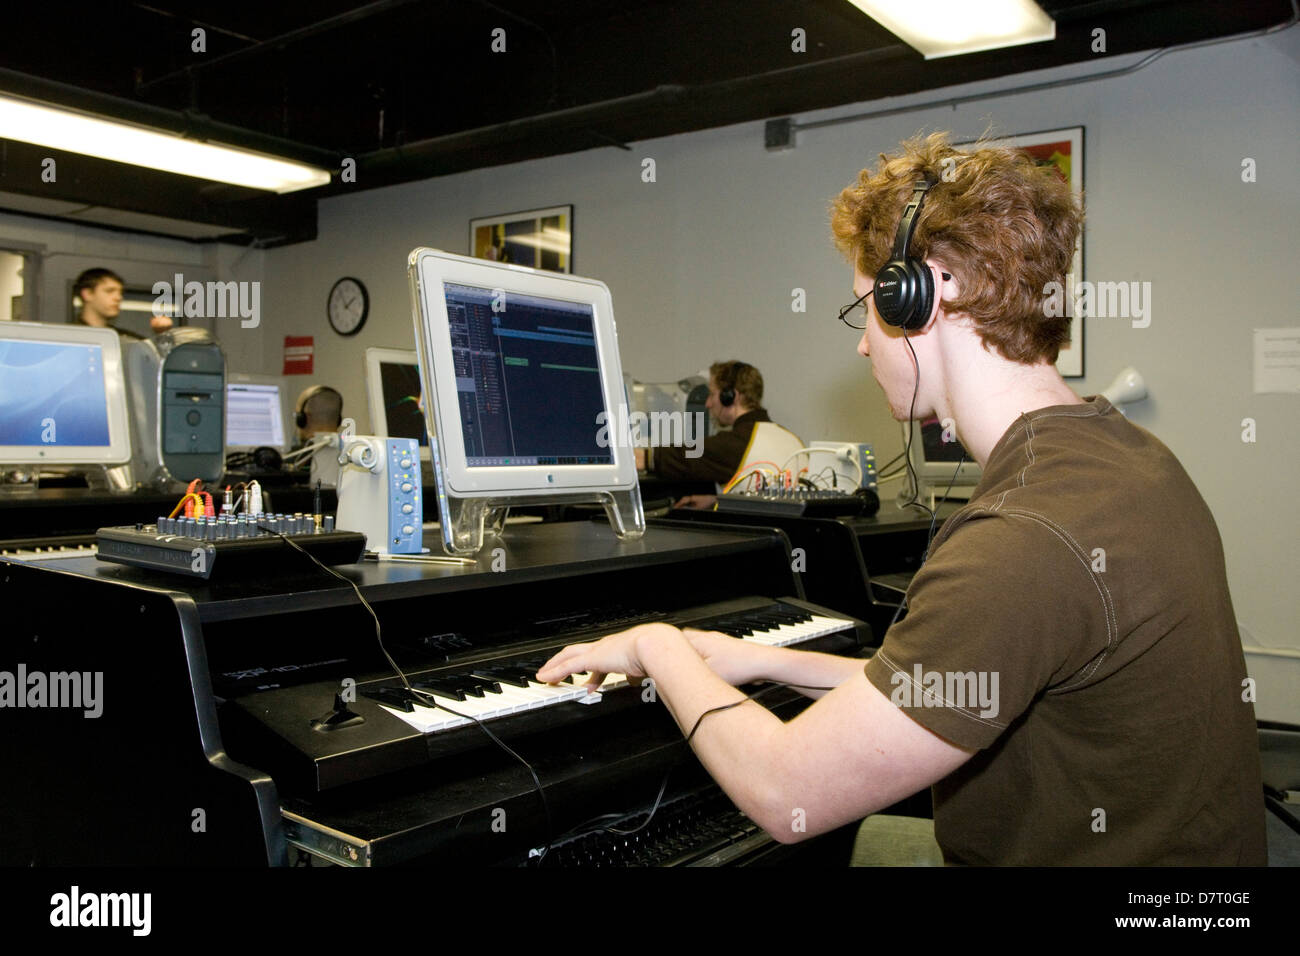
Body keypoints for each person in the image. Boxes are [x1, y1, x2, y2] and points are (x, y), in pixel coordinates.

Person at [538, 132, 1266, 865]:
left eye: (866, 312)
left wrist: (658, 646)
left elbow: (787, 791)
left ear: (926, 291)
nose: (862, 347)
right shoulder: (1130, 459)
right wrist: (763, 661)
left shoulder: (1023, 539)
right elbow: (968, 681)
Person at [636, 361, 779, 507]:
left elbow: (688, 455)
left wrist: (644, 457)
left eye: (712, 394)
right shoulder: (787, 438)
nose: (708, 404)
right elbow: (759, 498)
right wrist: (716, 500)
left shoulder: (739, 442)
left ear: (730, 396)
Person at [74, 268, 172, 336]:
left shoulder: (125, 339)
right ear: (88, 294)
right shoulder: (70, 336)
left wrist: (162, 334)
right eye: (109, 291)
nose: (118, 298)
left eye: (120, 293)